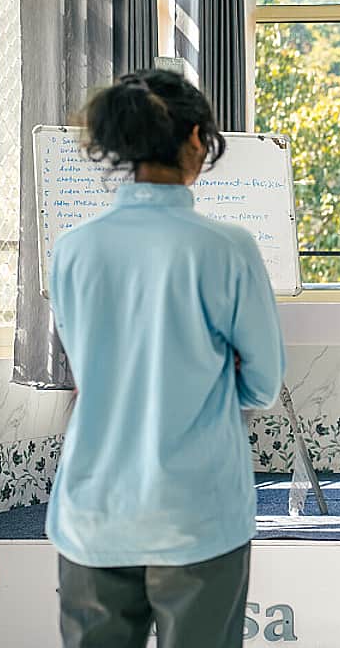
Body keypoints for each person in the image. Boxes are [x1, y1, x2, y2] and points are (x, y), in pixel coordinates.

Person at [47, 70, 286, 648]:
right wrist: (216, 374)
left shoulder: (73, 249)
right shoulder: (227, 249)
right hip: (196, 514)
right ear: (197, 139)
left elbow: (93, 367)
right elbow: (263, 383)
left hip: (92, 512)